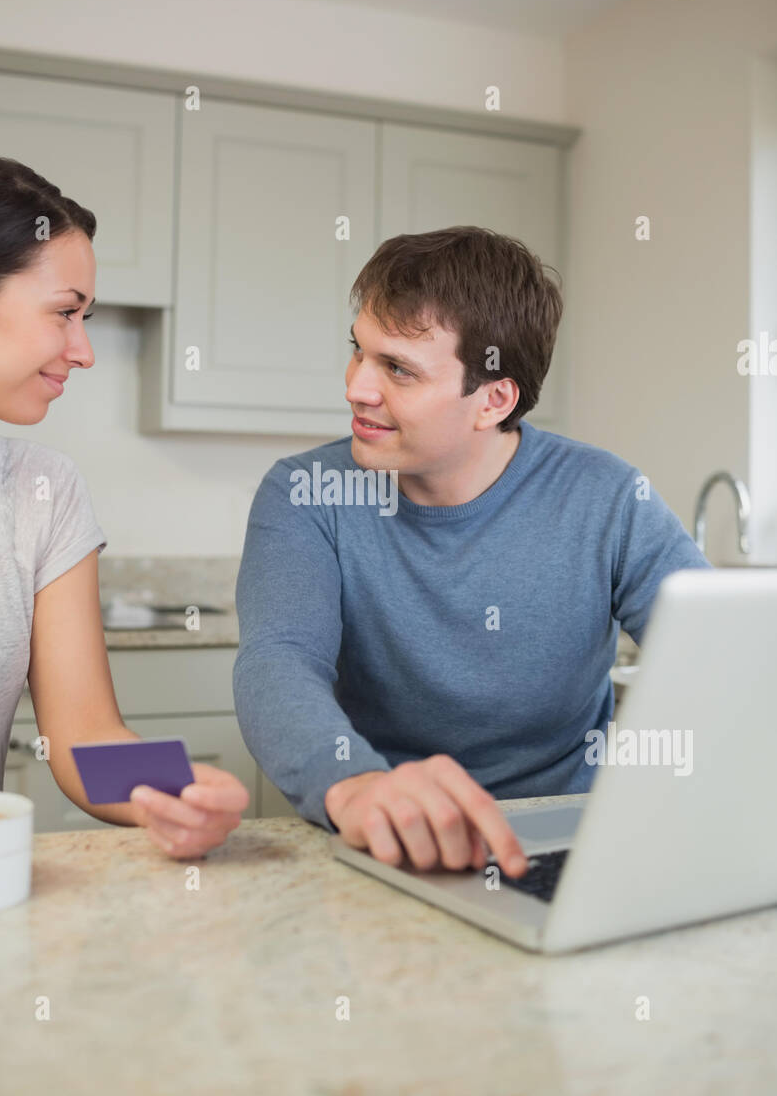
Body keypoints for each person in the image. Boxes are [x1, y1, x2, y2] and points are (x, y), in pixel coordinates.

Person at [233, 225, 711, 877]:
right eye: (359, 352)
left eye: (397, 368)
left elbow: (716, 657)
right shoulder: (306, 495)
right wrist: (357, 787)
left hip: (570, 844)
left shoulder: (607, 498)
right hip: (393, 840)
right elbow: (279, 661)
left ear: (493, 399)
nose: (357, 387)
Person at [0, 155, 248, 858]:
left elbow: (86, 737)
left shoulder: (43, 491)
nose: (84, 351)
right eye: (65, 313)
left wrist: (177, 791)